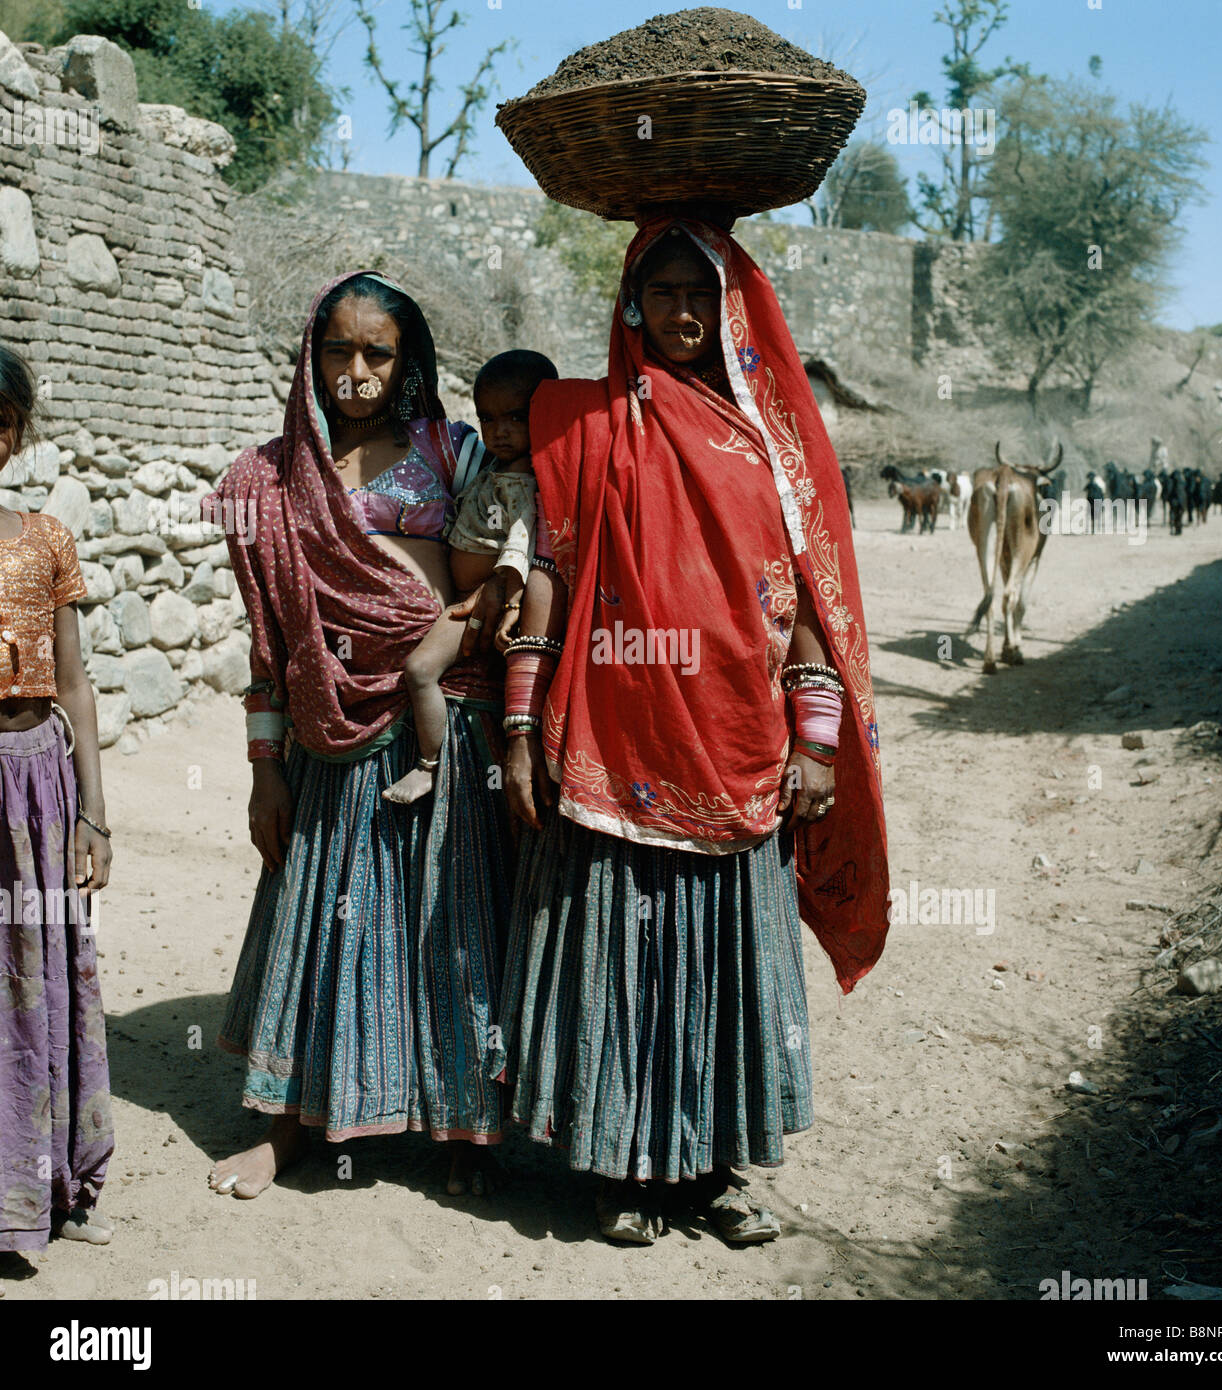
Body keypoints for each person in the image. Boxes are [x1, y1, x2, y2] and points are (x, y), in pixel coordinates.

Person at [493, 218, 891, 1245]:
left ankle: (714, 1169)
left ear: (729, 309)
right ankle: (622, 1164)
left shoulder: (772, 439)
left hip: (737, 740)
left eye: (697, 294)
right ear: (630, 304)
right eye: (659, 291)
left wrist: (812, 740)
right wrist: (518, 726)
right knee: (617, 958)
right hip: (614, 738)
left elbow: (806, 598)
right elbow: (549, 569)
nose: (679, 311)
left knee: (723, 965)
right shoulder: (582, 423)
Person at [202, 272, 511, 1200]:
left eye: (379, 352)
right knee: (321, 919)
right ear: (310, 355)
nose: (357, 370)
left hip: (443, 718)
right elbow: (266, 641)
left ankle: (467, 1125)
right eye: (338, 349)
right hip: (325, 731)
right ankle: (290, 1125)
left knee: (449, 922)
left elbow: (490, 578)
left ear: (407, 360)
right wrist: (264, 767)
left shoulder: (451, 450)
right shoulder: (269, 477)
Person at [0, 341, 115, 1256]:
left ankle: (43, 1182)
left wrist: (92, 815)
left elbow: (74, 685)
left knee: (41, 972)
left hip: (37, 777)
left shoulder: (46, 540)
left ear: (12, 437)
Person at [383, 350, 558, 805]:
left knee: (420, 670)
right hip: (465, 597)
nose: (500, 431)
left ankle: (427, 765)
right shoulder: (497, 469)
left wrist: (508, 592)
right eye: (488, 419)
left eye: (516, 418)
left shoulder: (525, 481)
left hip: (480, 602)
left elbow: (522, 539)